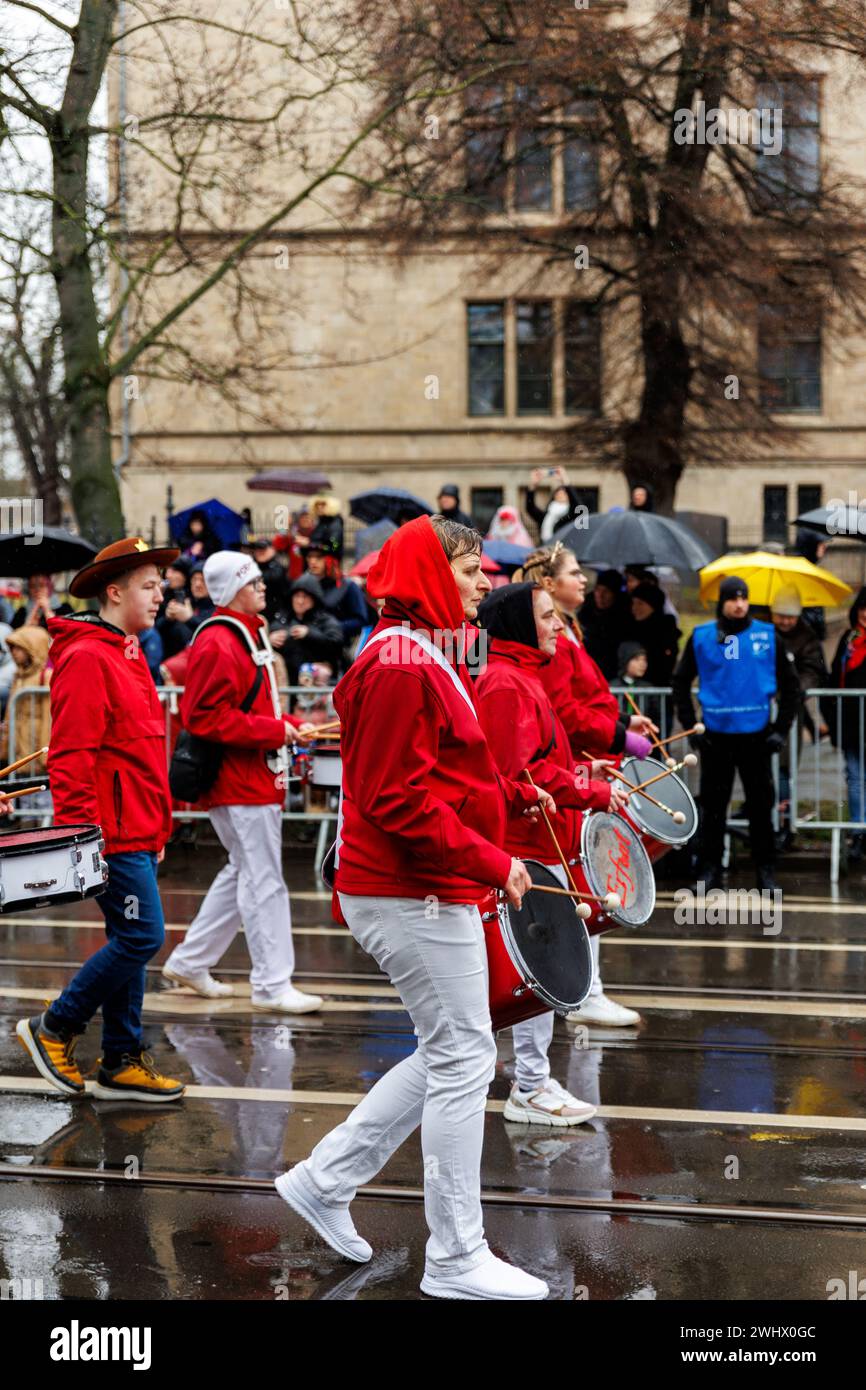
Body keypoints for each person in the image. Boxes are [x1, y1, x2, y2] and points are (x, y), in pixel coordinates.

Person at [276, 514, 554, 1300]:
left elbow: (433, 778)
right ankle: (456, 1257)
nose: (485, 583)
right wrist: (491, 858)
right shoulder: (403, 662)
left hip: (417, 886)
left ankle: (327, 1180)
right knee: (466, 1057)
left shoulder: (412, 650)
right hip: (409, 890)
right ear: (432, 575)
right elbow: (398, 800)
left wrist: (499, 822)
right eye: (470, 570)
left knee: (451, 1053)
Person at [16, 537, 186, 1101]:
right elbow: (71, 754)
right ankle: (55, 1026)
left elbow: (138, 753)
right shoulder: (90, 655)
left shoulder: (126, 649)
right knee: (143, 935)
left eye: (161, 584)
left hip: (135, 826)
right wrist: (80, 839)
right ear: (114, 593)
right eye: (148, 585)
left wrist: (157, 827)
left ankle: (120, 1057)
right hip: (108, 834)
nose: (161, 594)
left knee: (129, 936)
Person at [475, 581, 629, 1124]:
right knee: (538, 968)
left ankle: (523, 1080)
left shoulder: (519, 677)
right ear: (518, 625)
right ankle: (530, 1087)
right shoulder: (507, 684)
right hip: (522, 848)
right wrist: (591, 790)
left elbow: (540, 763)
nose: (559, 625)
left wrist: (586, 773)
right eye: (546, 616)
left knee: (536, 968)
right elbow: (515, 777)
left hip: (538, 842)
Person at [161, 551, 322, 1012]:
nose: (263, 588)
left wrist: (287, 722)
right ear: (234, 591)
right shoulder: (220, 640)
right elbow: (204, 716)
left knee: (244, 873)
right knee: (264, 880)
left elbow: (248, 707)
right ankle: (272, 983)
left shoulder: (238, 633)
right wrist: (276, 730)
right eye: (253, 583)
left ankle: (191, 961)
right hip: (241, 781)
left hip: (248, 777)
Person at [515, 544, 657, 1027]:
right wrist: (621, 735)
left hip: (582, 765)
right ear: (548, 584)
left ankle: (588, 987)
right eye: (574, 573)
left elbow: (586, 698)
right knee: (578, 883)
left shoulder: (570, 630)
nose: (584, 580)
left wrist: (622, 720)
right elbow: (564, 713)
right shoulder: (550, 642)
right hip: (571, 767)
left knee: (586, 880)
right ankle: (583, 990)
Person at [672, 575, 799, 893]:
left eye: (744, 598)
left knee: (760, 807)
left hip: (756, 736)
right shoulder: (702, 636)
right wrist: (691, 727)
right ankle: (709, 868)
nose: (739, 604)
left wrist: (780, 729)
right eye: (732, 598)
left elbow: (791, 686)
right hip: (716, 736)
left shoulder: (768, 636)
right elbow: (680, 681)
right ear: (722, 602)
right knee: (714, 807)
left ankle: (765, 871)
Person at [770, 587, 828, 849]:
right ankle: (767, 819)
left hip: (790, 710)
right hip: (764, 707)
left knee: (784, 766)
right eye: (780, 616)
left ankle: (784, 822)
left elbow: (814, 670)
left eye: (789, 617)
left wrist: (796, 690)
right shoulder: (763, 633)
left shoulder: (807, 638)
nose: (784, 622)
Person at [827, 585, 866, 861]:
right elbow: (833, 680)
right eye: (862, 609)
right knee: (854, 777)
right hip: (852, 723)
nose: (865, 615)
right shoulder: (848, 639)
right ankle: (858, 829)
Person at [304, 543, 372, 663]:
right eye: (309, 557)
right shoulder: (305, 585)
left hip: (340, 648)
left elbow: (361, 619)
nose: (313, 561)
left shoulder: (347, 586)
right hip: (311, 644)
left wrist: (333, 628)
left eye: (318, 557)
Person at [270, 572, 344, 683]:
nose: (300, 601)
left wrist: (310, 634)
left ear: (314, 599)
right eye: (297, 596)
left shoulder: (325, 620)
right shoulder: (282, 619)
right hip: (286, 683)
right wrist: (269, 639)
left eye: (305, 597)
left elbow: (336, 643)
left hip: (317, 686)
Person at [1, 625, 52, 780]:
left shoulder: (46, 677)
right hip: (18, 757)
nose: (13, 652)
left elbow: (48, 721)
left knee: (41, 800)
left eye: (19, 648)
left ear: (32, 648)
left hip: (37, 759)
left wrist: (44, 758)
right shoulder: (19, 677)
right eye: (12, 648)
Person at [625, 581, 680, 686]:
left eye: (640, 603)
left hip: (658, 689)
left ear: (654, 606)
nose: (634, 608)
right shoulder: (628, 628)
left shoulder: (666, 632)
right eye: (633, 603)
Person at [581, 569, 630, 680]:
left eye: (606, 591)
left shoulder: (624, 619)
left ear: (615, 594)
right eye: (598, 590)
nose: (600, 595)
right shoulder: (584, 612)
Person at [525, 467, 585, 541]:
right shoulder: (547, 515)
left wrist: (564, 480)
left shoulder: (570, 515)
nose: (560, 495)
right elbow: (530, 508)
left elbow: (578, 507)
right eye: (558, 493)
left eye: (564, 493)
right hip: (546, 548)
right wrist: (532, 486)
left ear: (569, 496)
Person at [616, 639, 662, 729]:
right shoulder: (613, 686)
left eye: (644, 660)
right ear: (625, 661)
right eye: (636, 659)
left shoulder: (648, 688)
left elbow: (656, 716)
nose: (642, 664)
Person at [155, 557, 195, 658]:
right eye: (167, 570)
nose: (168, 575)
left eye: (174, 571)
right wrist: (167, 618)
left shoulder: (196, 596)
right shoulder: (162, 596)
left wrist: (189, 618)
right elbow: (152, 629)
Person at [249, 537, 287, 622]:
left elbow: (275, 577)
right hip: (256, 611)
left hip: (276, 612)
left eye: (263, 548)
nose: (260, 551)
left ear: (272, 550)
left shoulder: (278, 567)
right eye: (257, 549)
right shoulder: (251, 566)